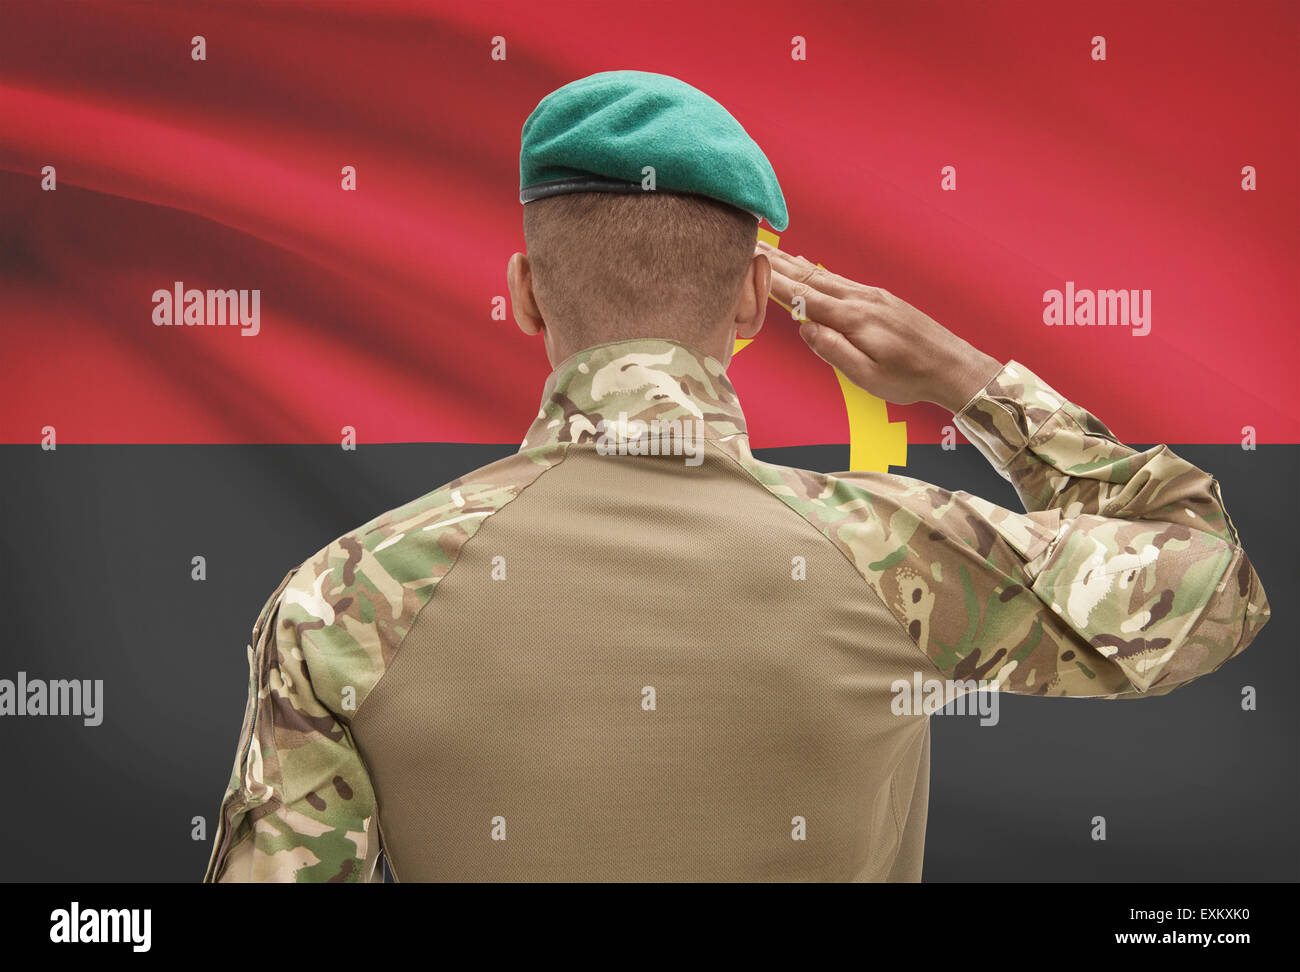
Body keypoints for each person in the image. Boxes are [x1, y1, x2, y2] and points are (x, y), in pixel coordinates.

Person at [203, 70, 1269, 882]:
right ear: (757, 299)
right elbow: (1212, 586)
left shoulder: (339, 599)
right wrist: (964, 378)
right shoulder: (895, 554)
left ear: (527, 293)